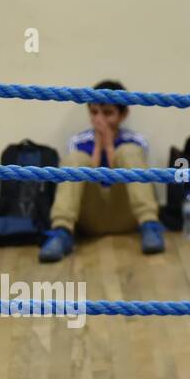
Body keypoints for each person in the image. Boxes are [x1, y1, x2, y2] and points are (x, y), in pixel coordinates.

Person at [40, 80, 164, 262]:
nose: (100, 120)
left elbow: (127, 183)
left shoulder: (137, 141)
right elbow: (90, 183)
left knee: (129, 151)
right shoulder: (78, 142)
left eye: (108, 113)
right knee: (76, 158)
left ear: (123, 114)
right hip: (90, 216)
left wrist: (109, 146)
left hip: (126, 214)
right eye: (94, 113)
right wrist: (98, 148)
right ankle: (61, 233)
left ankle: (150, 226)